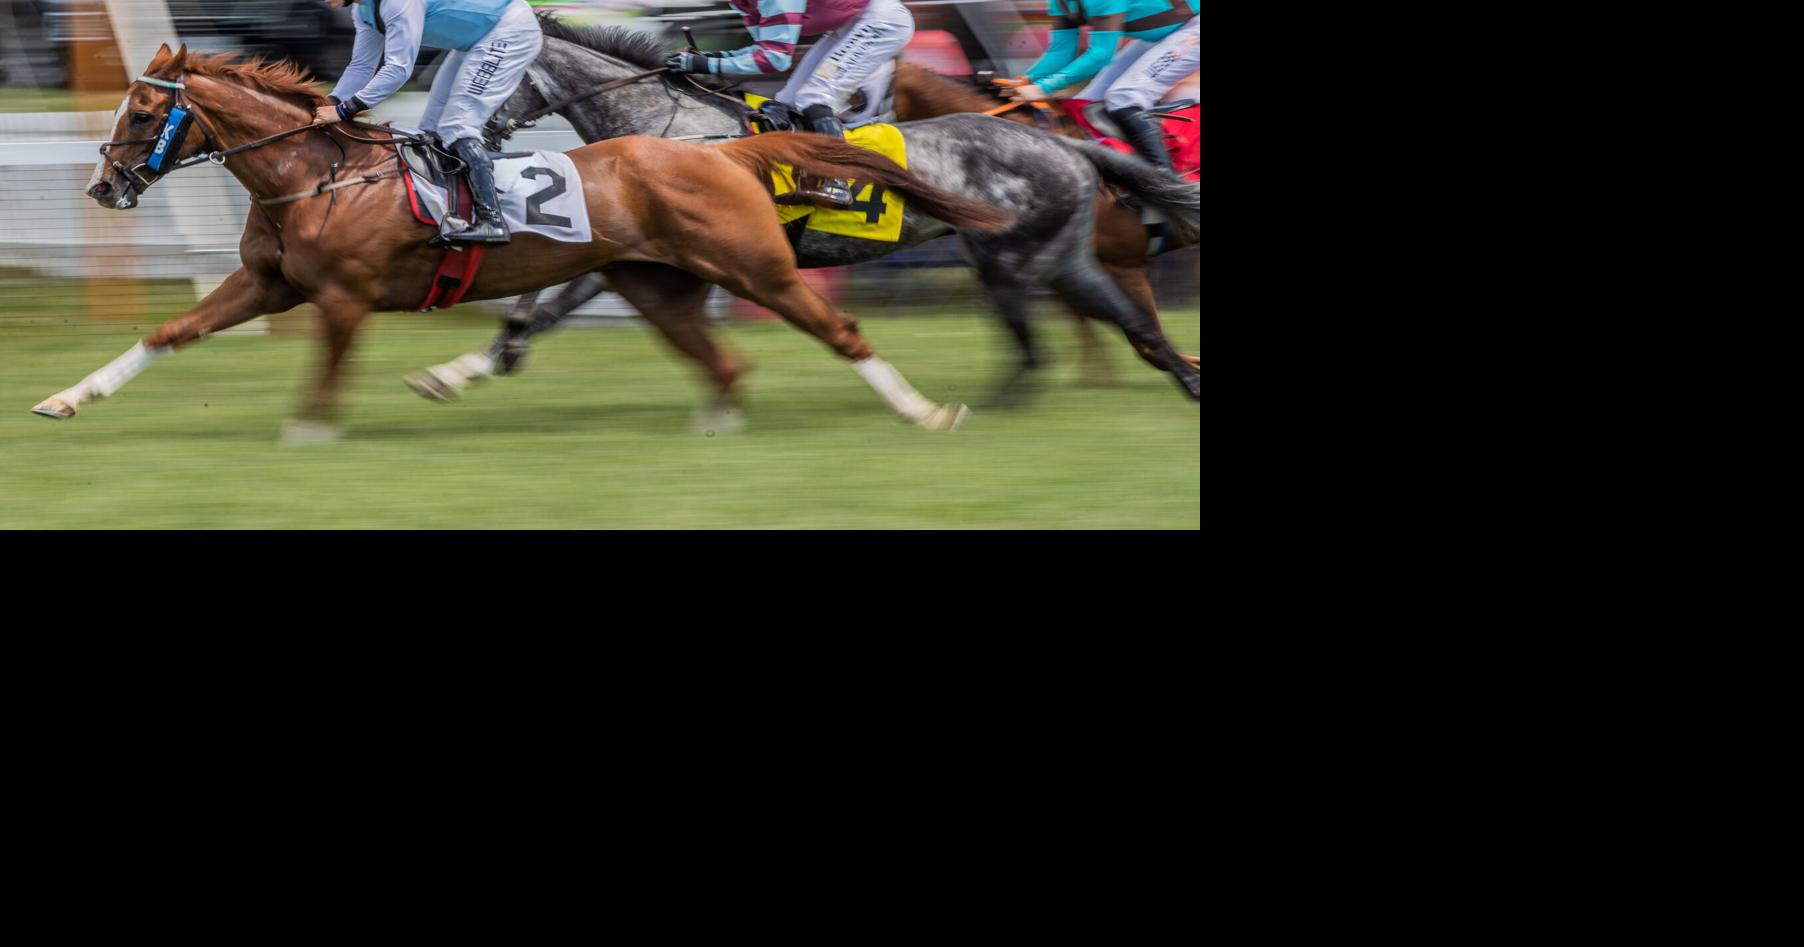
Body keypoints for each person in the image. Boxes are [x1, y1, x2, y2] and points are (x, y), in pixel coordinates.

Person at [314, 0, 544, 245]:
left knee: (458, 126)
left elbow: (398, 70)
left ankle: (493, 221)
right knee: (431, 128)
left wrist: (344, 110)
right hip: (477, 40)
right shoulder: (363, 11)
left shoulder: (397, 4)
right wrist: (328, 102)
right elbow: (361, 67)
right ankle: (451, 210)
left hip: (510, 31)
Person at [663, 0, 916, 210]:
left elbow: (775, 59)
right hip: (850, 26)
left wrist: (703, 64)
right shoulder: (741, 3)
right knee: (786, 100)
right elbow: (759, 51)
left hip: (881, 21)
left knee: (815, 96)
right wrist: (706, 59)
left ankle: (839, 182)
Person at [1010, 0, 1199, 169]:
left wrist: (1043, 88)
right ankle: (1125, 164)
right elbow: (1060, 51)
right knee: (1086, 103)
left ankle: (1165, 180)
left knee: (1124, 96)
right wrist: (1026, 80)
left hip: (1192, 28)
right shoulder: (1059, 3)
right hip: (1161, 35)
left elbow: (1100, 55)